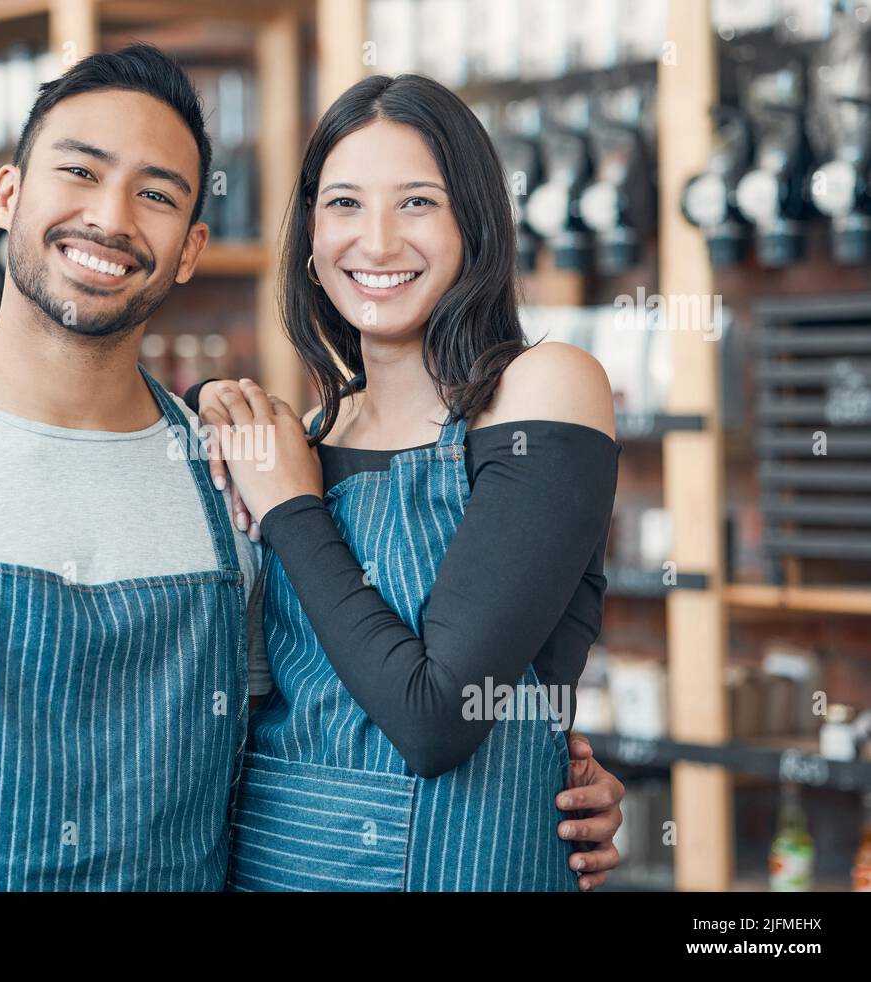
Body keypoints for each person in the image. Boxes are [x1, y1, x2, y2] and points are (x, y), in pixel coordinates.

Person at [0, 44, 622, 892]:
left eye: (156, 194)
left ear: (192, 245)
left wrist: (539, 761)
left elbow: (349, 726)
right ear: (6, 195)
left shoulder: (235, 480)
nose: (109, 218)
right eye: (78, 171)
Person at [191, 73, 622, 891]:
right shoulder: (295, 439)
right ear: (311, 241)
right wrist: (205, 402)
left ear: (476, 223)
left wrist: (290, 505)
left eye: (418, 202)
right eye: (345, 204)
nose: (378, 243)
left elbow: (438, 720)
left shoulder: (545, 388)